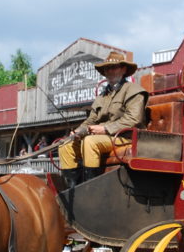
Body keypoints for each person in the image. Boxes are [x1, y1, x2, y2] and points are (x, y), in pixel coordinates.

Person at [58, 51, 148, 186]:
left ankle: (91, 189)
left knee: (89, 142)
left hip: (126, 137)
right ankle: (73, 189)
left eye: (114, 67)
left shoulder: (134, 90)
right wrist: (77, 131)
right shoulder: (102, 96)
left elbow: (133, 119)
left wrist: (105, 129)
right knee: (65, 145)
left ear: (123, 69)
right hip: (105, 137)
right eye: (107, 68)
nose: (109, 71)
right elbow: (91, 120)